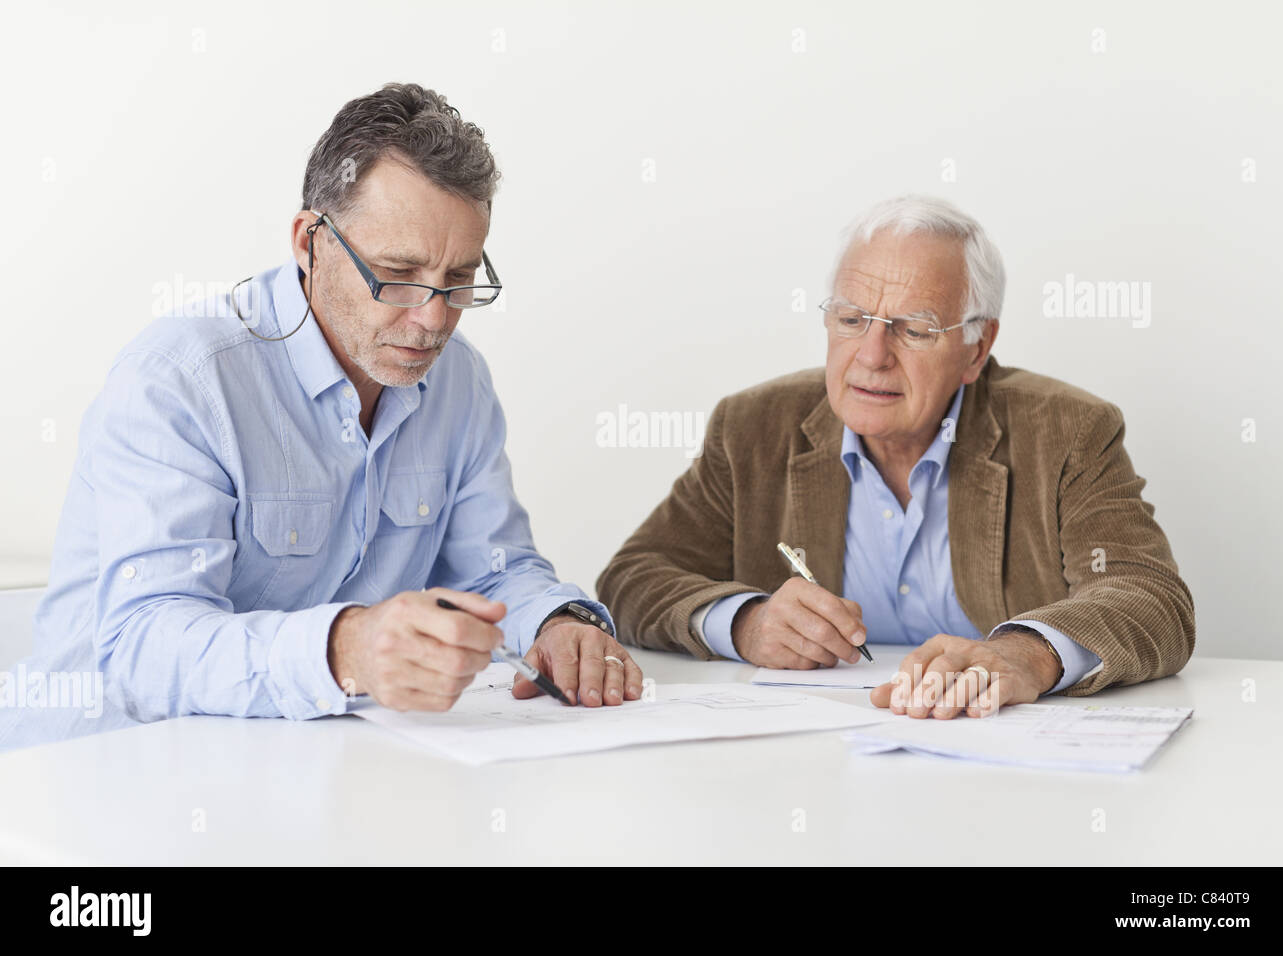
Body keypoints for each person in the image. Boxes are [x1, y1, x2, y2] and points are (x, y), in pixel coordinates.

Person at [0, 82, 641, 753]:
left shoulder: (460, 381)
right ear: (310, 242)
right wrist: (347, 649)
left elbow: (492, 569)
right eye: (397, 273)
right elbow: (144, 647)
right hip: (94, 776)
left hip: (301, 772)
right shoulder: (184, 379)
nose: (432, 319)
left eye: (458, 279)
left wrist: (557, 623)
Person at [596, 194, 1193, 718]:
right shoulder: (753, 427)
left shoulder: (1067, 432)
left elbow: (1152, 598)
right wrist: (744, 623)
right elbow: (633, 576)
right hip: (811, 766)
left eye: (915, 329)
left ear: (975, 347)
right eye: (852, 319)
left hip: (1000, 762)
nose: (873, 355)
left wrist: (1024, 656)